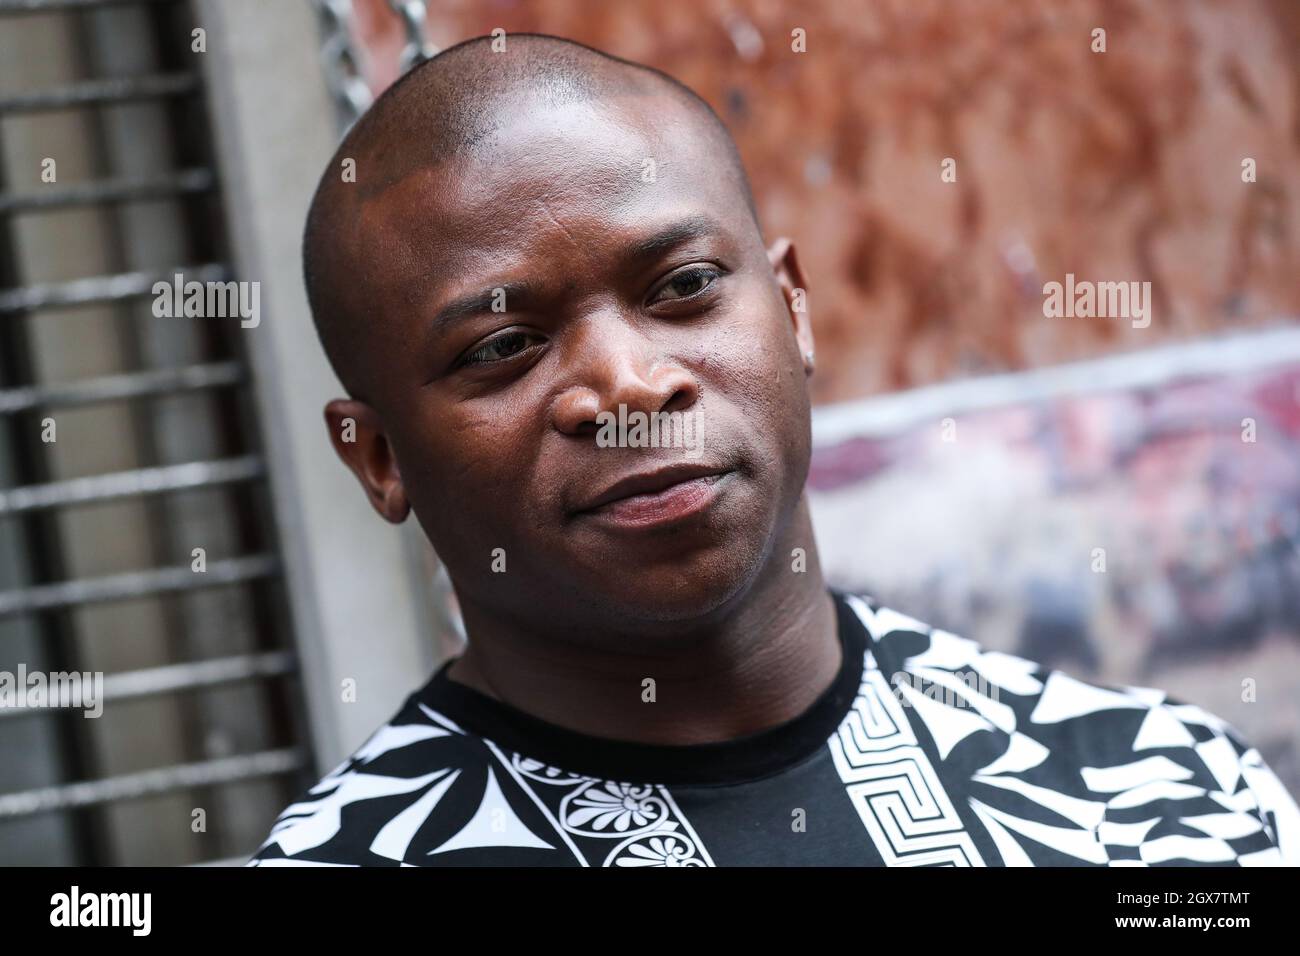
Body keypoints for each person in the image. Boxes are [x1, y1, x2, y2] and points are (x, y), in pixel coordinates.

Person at [248, 33, 1299, 867]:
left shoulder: (1156, 792)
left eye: (684, 287)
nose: (627, 384)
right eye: (504, 345)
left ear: (791, 312)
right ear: (377, 456)